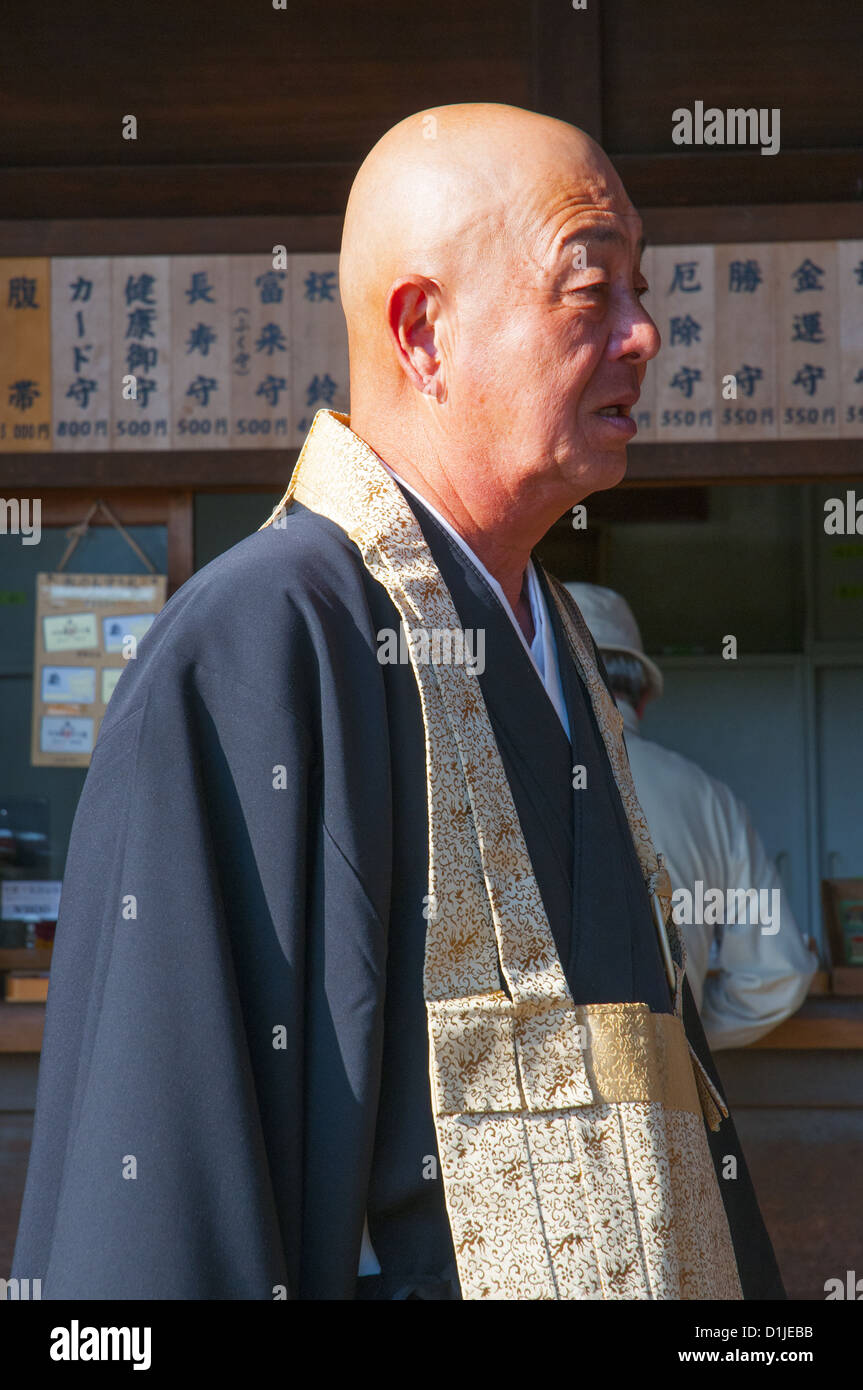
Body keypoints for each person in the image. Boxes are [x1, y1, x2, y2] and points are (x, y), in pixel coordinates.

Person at [12, 103, 784, 1300]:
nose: (643, 332)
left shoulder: (556, 634)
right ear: (423, 331)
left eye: (645, 287)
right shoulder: (259, 644)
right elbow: (168, 1173)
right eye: (592, 288)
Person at [565, 583, 817, 1051]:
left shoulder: (496, 783)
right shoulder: (708, 797)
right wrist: (685, 1037)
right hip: (671, 1099)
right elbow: (778, 974)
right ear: (642, 698)